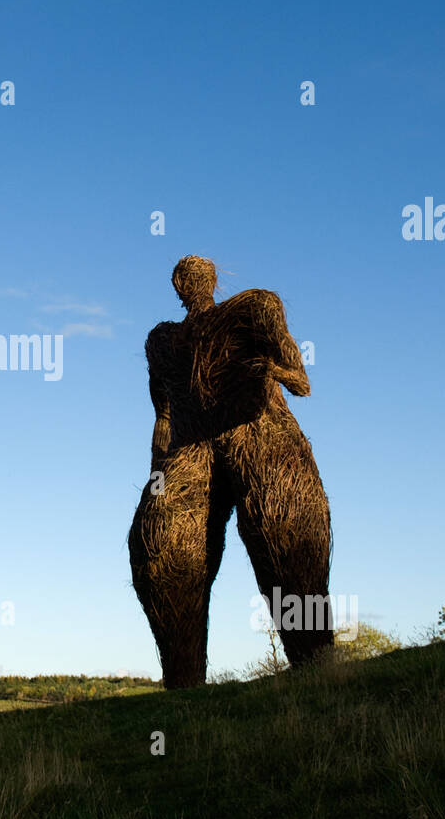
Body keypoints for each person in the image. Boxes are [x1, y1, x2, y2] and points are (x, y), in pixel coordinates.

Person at [129, 256, 332, 688]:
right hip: (191, 447)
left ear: (209, 282)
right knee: (161, 549)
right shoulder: (162, 342)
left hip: (257, 432)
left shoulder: (254, 309)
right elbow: (163, 413)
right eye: (184, 279)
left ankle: (318, 672)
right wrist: (157, 475)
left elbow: (299, 380)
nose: (189, 285)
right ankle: (184, 690)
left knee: (284, 538)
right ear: (178, 287)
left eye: (193, 278)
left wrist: (260, 369)